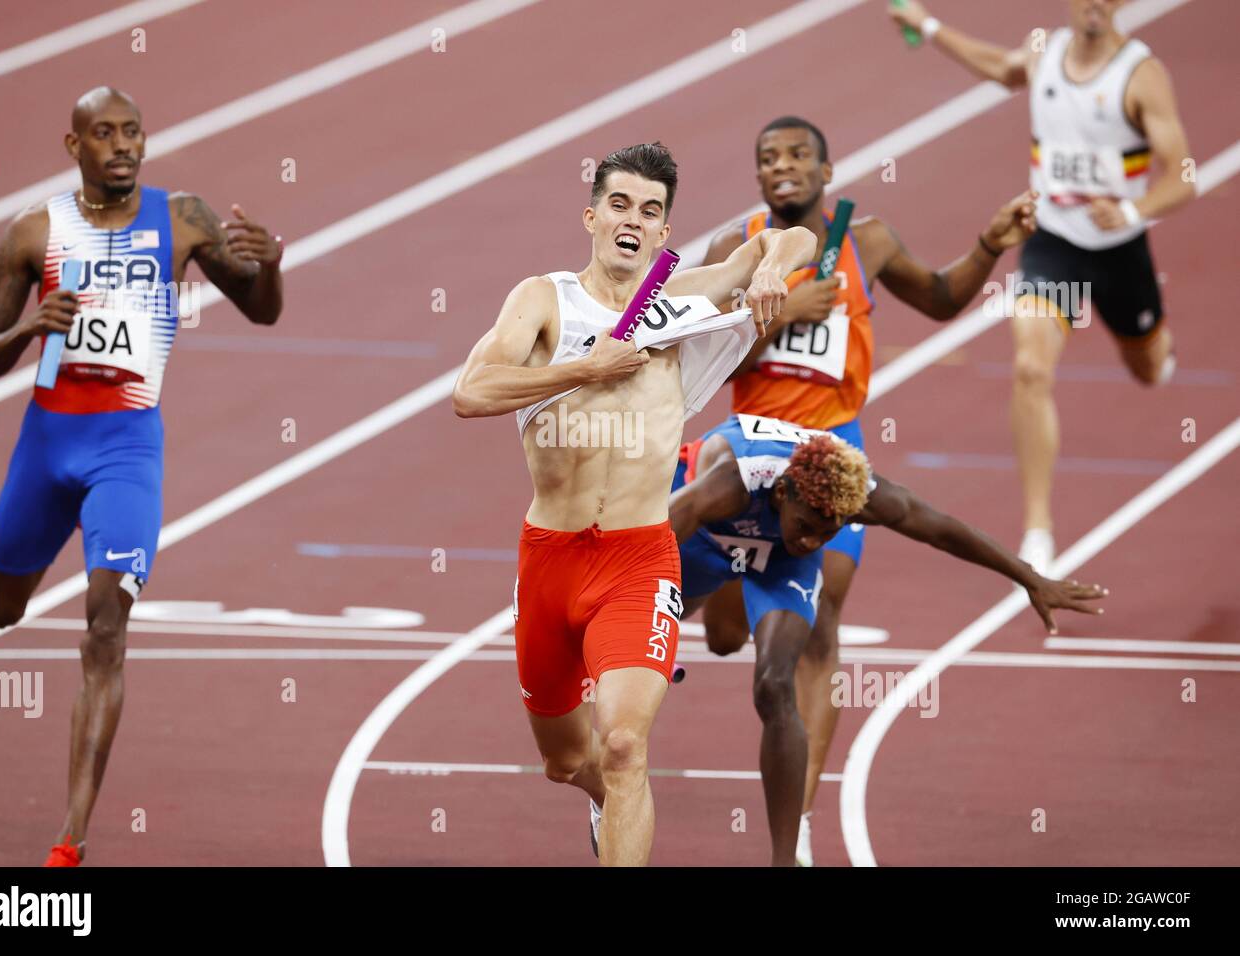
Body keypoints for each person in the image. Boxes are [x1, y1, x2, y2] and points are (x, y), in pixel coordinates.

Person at [452, 142, 817, 865]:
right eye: (619, 205)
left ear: (663, 232)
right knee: (566, 759)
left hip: (638, 558)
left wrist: (771, 267)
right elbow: (470, 393)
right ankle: (601, 797)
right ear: (591, 217)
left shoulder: (681, 299)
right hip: (550, 559)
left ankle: (618, 796)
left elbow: (793, 236)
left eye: (650, 212)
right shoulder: (543, 300)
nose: (633, 220)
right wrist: (585, 367)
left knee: (623, 746)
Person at [700, 114, 1038, 864]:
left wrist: (989, 244)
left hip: (831, 458)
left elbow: (943, 298)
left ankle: (799, 815)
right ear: (758, 177)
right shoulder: (734, 248)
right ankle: (726, 588)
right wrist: (781, 314)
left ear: (827, 171)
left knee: (818, 628)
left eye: (797, 154)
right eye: (768, 157)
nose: (782, 166)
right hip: (748, 451)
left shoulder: (868, 241)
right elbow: (701, 359)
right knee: (723, 638)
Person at [0, 87, 283, 866]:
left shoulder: (184, 219)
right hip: (46, 447)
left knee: (106, 626)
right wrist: (28, 327)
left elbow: (263, 311)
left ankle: (70, 839)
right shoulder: (33, 232)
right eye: (104, 134)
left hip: (127, 449)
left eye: (132, 132)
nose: (122, 146)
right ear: (73, 146)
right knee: (1, 611)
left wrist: (271, 267)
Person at [669, 413, 1108, 865]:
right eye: (807, 525)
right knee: (715, 637)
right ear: (783, 494)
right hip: (703, 533)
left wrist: (1030, 578)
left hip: (778, 558)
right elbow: (653, 538)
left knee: (774, 685)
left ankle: (784, 861)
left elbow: (939, 527)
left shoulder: (851, 499)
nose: (813, 540)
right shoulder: (731, 481)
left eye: (828, 531)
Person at [888, 0, 1195, 573]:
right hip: (1054, 247)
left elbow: (1183, 173)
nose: (1095, 4)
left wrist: (1132, 211)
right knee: (1030, 367)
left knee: (1149, 369)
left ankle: (1159, 347)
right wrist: (926, 25)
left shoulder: (1141, 74)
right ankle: (1038, 531)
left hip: (1120, 251)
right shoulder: (1043, 52)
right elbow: (1001, 67)